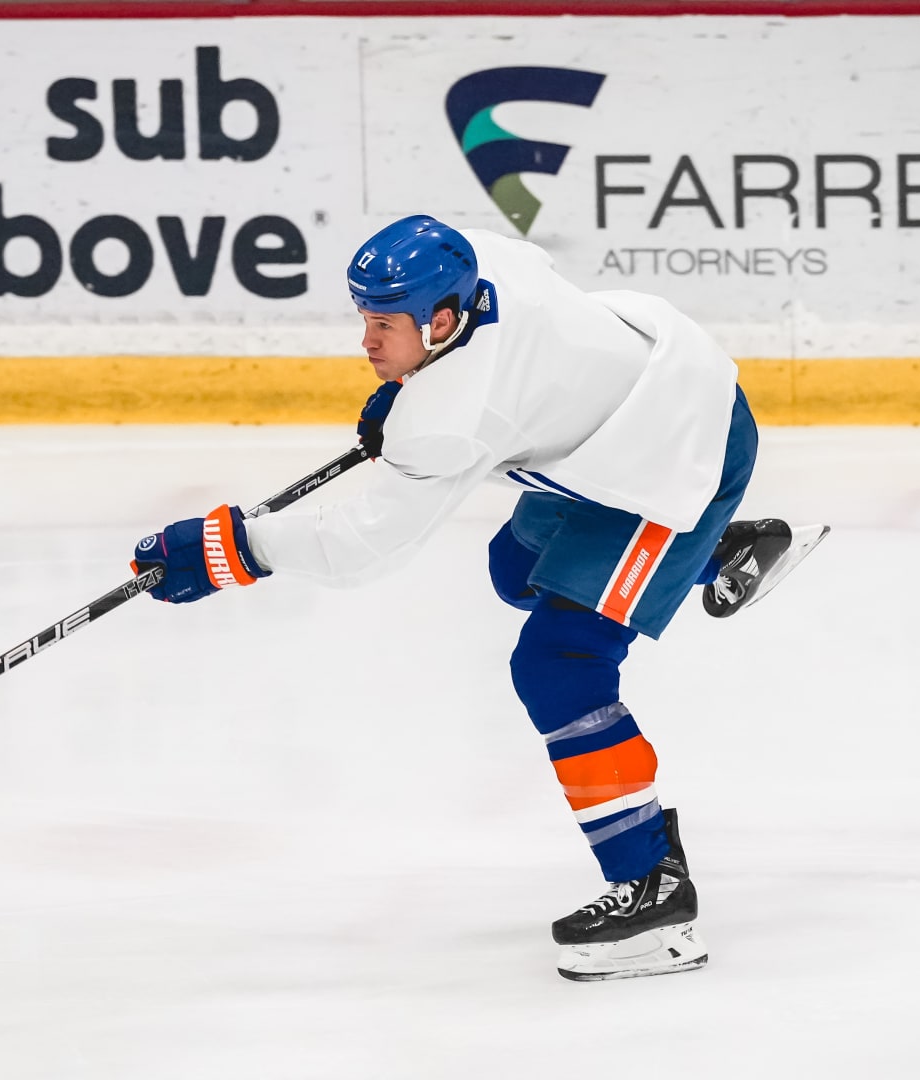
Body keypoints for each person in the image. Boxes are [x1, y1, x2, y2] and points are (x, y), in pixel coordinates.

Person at [130, 215, 827, 981]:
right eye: (364, 319)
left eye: (384, 326)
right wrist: (409, 380)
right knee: (514, 568)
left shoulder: (458, 415)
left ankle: (652, 888)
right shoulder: (481, 262)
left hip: (677, 453)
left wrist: (234, 549)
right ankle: (725, 550)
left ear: (439, 319)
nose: (367, 343)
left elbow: (364, 544)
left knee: (561, 664)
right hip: (623, 419)